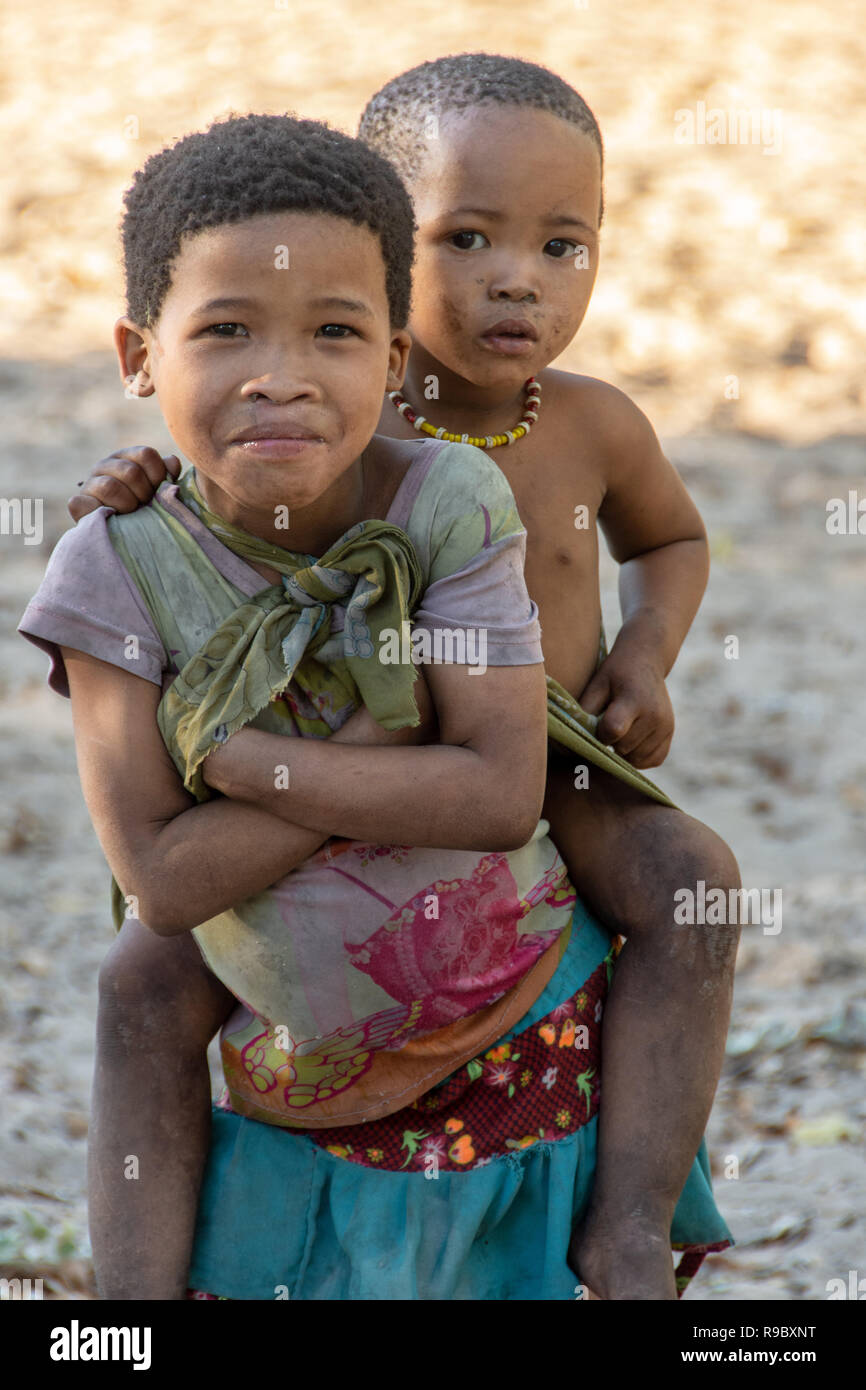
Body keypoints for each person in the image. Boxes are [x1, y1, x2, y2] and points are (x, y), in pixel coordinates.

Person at [63, 55, 741, 1302]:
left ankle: (633, 1219)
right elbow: (218, 486)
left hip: (546, 747)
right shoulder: (340, 428)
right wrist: (134, 479)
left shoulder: (591, 423)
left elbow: (673, 541)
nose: (513, 278)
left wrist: (645, 655)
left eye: (560, 245)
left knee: (693, 879)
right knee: (142, 985)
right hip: (357, 747)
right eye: (466, 237)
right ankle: (129, 1308)